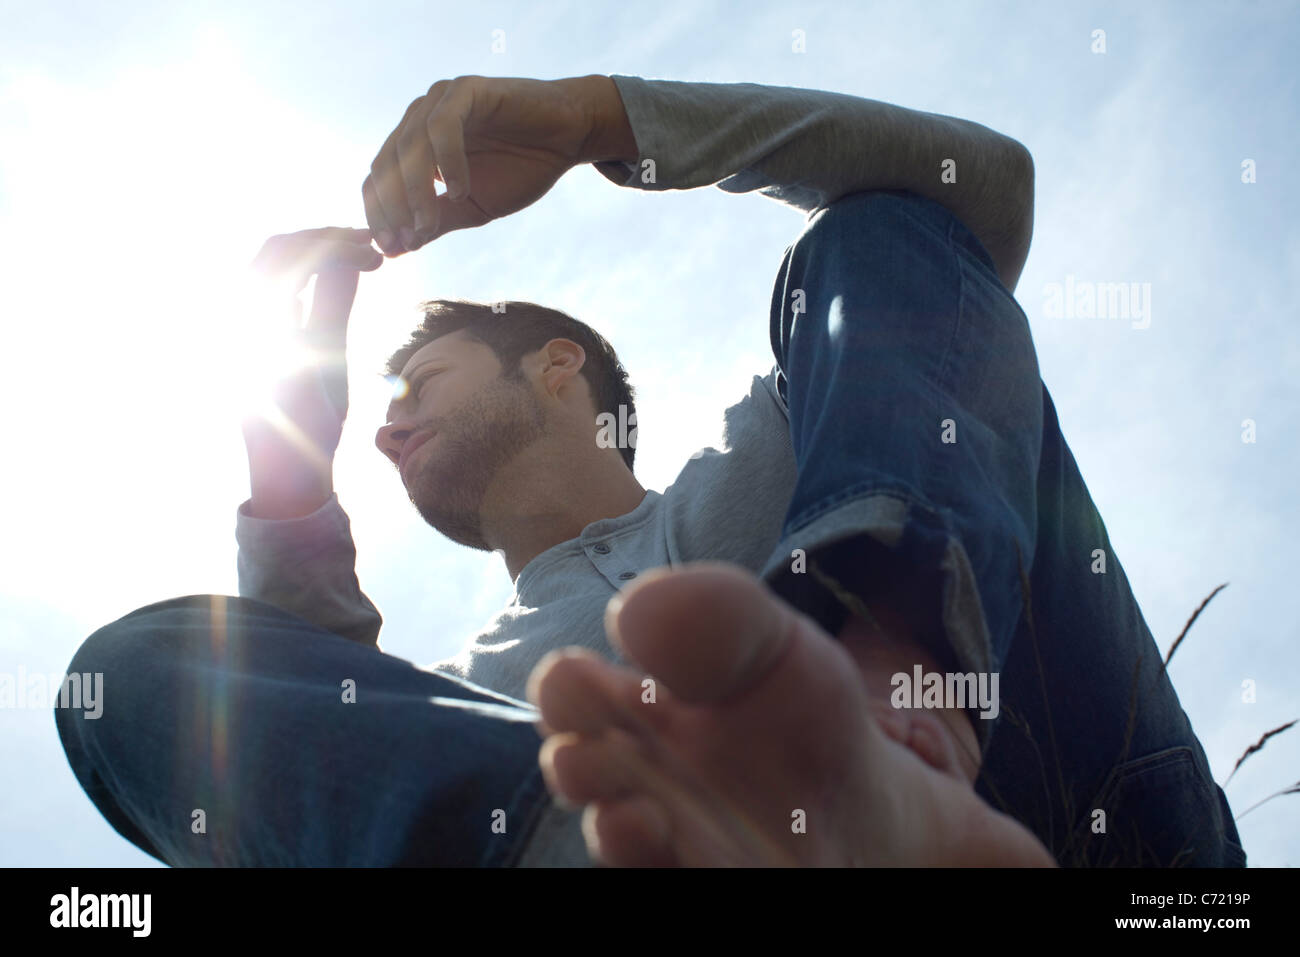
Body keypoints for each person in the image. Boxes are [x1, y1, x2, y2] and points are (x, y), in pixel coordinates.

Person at [55, 74, 1245, 867]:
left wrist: (599, 122)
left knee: (873, 232)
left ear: (558, 364)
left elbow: (966, 195)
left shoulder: (792, 442)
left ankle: (892, 707)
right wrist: (290, 472)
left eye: (420, 381)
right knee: (138, 671)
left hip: (1076, 806)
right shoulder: (478, 698)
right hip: (619, 828)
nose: (387, 422)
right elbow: (290, 693)